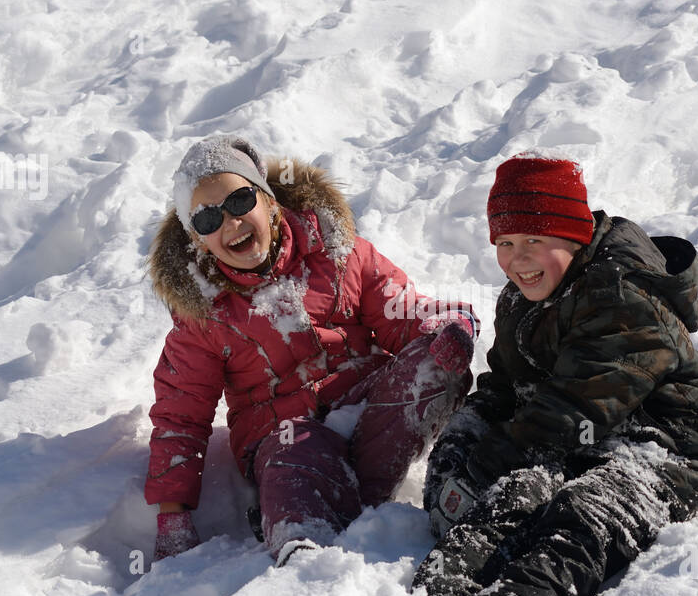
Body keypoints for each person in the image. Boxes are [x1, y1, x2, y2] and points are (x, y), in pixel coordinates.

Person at [413, 155, 698, 596]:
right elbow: (506, 381)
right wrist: (473, 436)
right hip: (575, 434)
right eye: (505, 243)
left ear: (575, 236)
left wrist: (489, 462)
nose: (517, 258)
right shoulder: (524, 294)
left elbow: (575, 409)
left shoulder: (621, 295)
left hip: (663, 439)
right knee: (516, 486)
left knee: (585, 512)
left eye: (534, 241)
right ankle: (439, 584)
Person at [146, 135, 477, 566]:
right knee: (291, 459)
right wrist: (173, 512)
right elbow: (180, 412)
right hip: (284, 431)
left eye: (240, 201)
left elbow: (402, 311)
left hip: (368, 411)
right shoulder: (203, 315)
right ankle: (303, 547)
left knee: (435, 360)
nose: (230, 224)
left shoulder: (339, 255)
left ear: (269, 201)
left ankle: (353, 499)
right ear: (197, 240)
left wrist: (447, 326)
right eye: (207, 219)